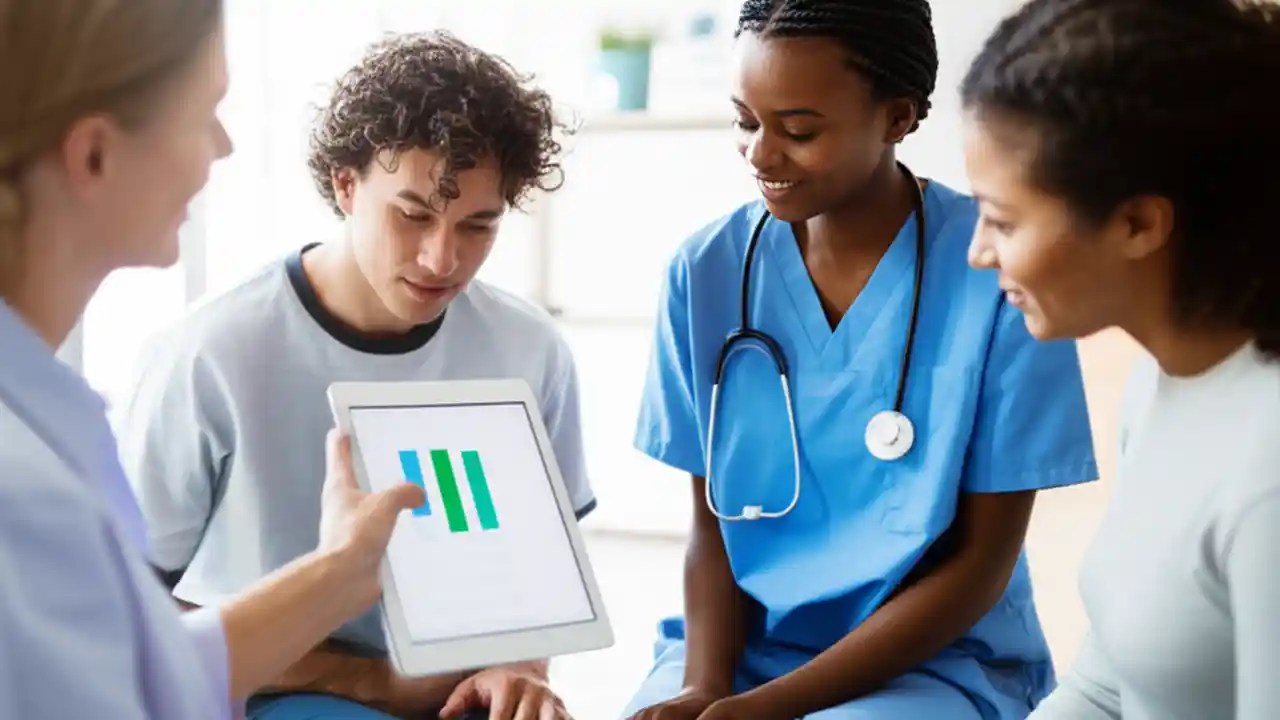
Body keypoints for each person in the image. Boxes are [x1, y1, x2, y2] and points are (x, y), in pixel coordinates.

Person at [623, 1, 1100, 719]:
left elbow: (980, 567)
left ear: (898, 118)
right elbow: (710, 532)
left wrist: (775, 707)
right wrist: (703, 688)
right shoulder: (706, 271)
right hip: (740, 653)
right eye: (746, 121)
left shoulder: (999, 267)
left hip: (935, 662)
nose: (761, 154)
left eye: (799, 130)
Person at [113, 31, 593, 720]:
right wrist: (371, 682)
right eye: (413, 215)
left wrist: (518, 674)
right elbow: (132, 616)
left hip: (451, 697)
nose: (440, 258)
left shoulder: (531, 352)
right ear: (346, 185)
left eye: (477, 227)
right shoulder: (210, 355)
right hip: (272, 692)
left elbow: (541, 582)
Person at [0, 1, 427, 718]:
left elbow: (128, 666)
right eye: (205, 112)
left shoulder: (39, 435)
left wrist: (339, 572)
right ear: (95, 154)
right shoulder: (25, 500)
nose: (223, 145)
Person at [962, 0, 1280, 718]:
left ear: (1138, 222)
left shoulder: (1268, 474)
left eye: (1003, 220)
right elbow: (1107, 690)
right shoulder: (1163, 385)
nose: (978, 252)